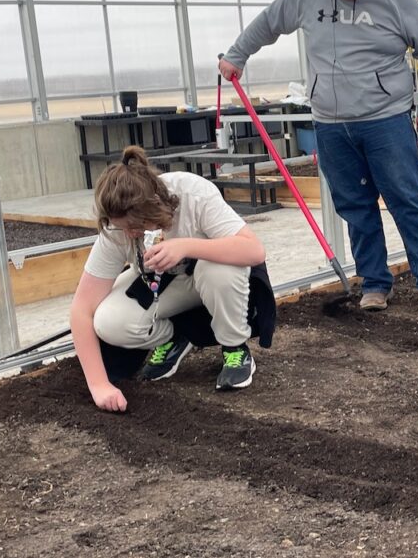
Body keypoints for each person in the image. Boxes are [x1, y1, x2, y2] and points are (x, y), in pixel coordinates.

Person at [219, 0, 418, 315]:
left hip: (385, 119)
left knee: (407, 200)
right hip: (331, 124)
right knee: (354, 205)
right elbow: (269, 21)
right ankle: (375, 283)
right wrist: (237, 55)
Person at [69, 146, 275, 412]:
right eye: (122, 228)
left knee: (217, 271)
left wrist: (185, 247)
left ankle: (234, 346)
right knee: (109, 321)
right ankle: (175, 337)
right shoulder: (116, 228)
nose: (129, 234)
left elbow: (254, 250)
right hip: (166, 283)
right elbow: (81, 309)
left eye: (134, 226)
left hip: (212, 275)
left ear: (152, 207)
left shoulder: (193, 194)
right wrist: (99, 385)